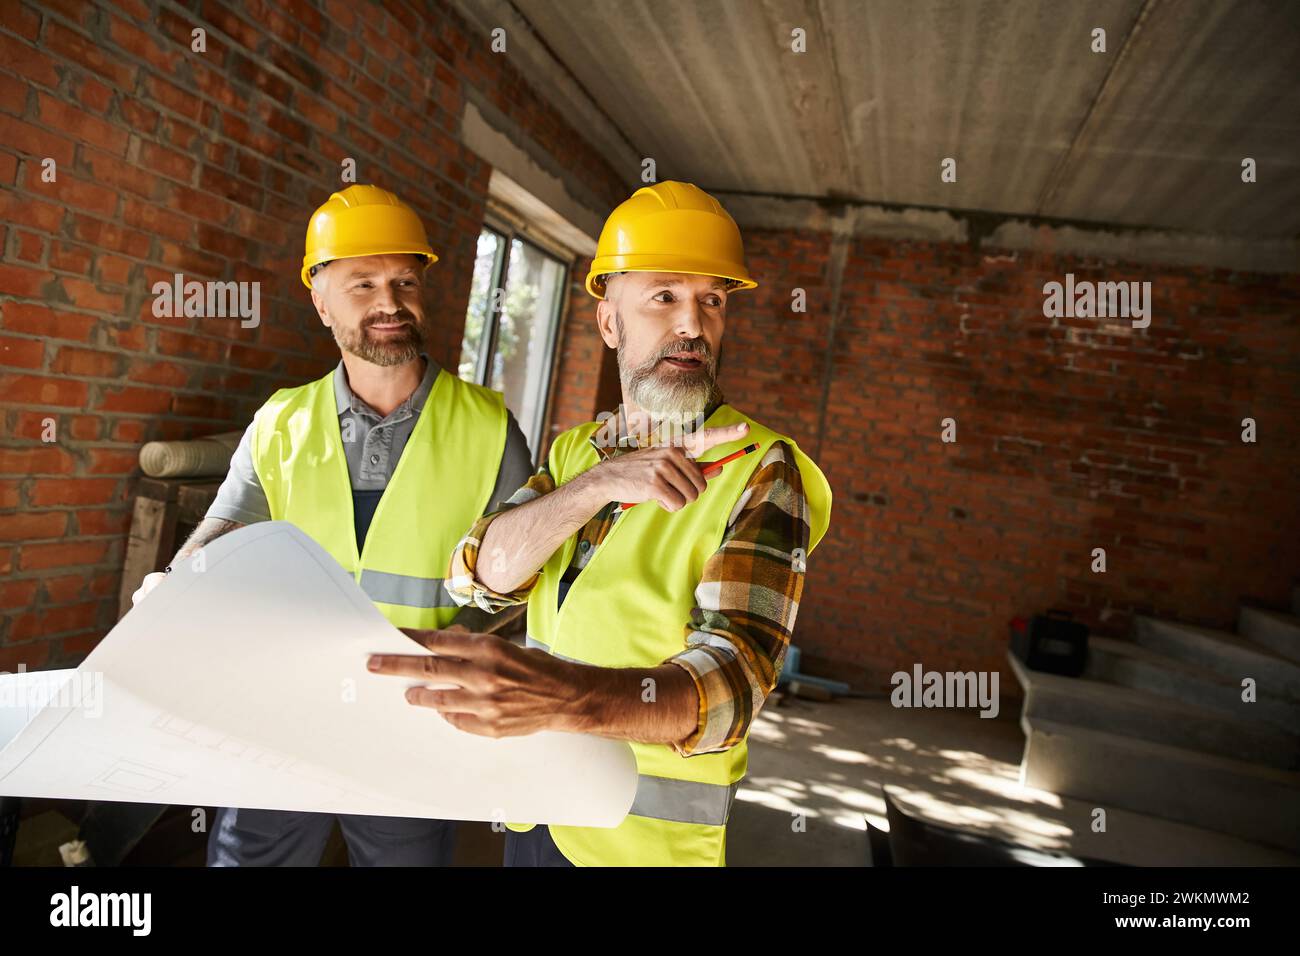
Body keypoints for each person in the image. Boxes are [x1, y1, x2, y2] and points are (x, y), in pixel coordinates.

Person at [368, 181, 832, 866]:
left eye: (712, 300)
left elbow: (735, 685)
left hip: (643, 849)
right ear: (609, 322)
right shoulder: (576, 454)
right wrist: (598, 484)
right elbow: (478, 578)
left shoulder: (760, 467)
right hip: (538, 815)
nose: (693, 326)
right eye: (665, 296)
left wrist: (560, 699)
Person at [132, 184, 533, 866]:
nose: (389, 301)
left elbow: (520, 582)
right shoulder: (281, 419)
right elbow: (229, 524)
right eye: (362, 283)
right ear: (321, 302)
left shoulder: (488, 427)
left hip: (416, 715)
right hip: (288, 706)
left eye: (405, 280)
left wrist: (454, 664)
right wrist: (178, 579)